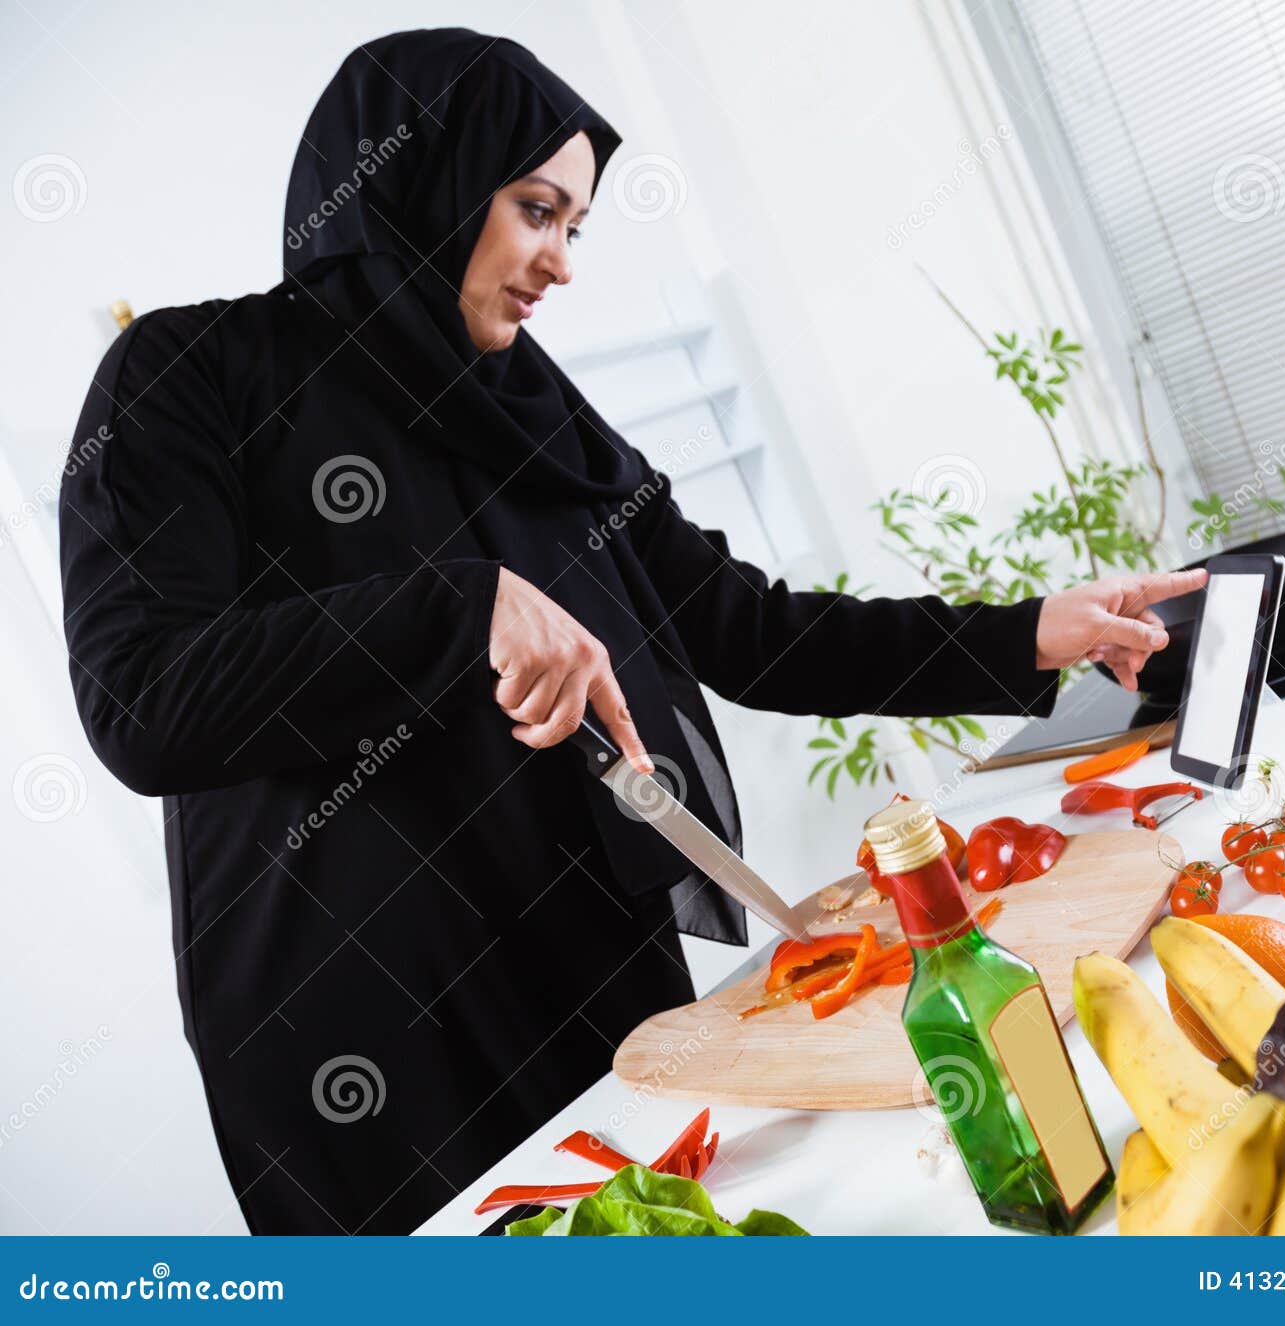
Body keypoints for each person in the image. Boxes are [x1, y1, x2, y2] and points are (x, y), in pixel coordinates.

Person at [59, 28, 1203, 1234]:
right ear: (422, 177)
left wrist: (1029, 632)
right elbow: (144, 705)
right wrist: (462, 602)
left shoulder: (532, 406)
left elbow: (743, 626)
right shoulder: (192, 375)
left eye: (575, 228)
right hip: (378, 1035)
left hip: (593, 968)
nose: (557, 263)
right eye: (535, 210)